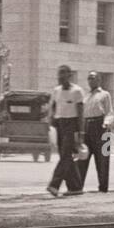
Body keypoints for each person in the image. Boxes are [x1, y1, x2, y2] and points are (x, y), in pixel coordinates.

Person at [46, 65, 85, 197]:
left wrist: (81, 133)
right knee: (65, 156)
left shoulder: (77, 91)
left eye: (63, 74)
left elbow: (80, 114)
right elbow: (53, 107)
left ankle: (54, 185)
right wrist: (50, 121)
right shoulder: (56, 90)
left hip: (71, 125)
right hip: (59, 124)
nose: (60, 76)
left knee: (65, 154)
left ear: (69, 75)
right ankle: (75, 187)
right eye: (59, 74)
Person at [77, 71, 114, 193]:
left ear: (99, 80)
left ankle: (103, 188)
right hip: (86, 127)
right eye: (89, 78)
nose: (90, 80)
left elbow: (110, 112)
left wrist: (106, 123)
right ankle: (78, 187)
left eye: (93, 78)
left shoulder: (104, 94)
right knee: (82, 158)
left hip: (102, 129)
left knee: (103, 160)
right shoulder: (85, 96)